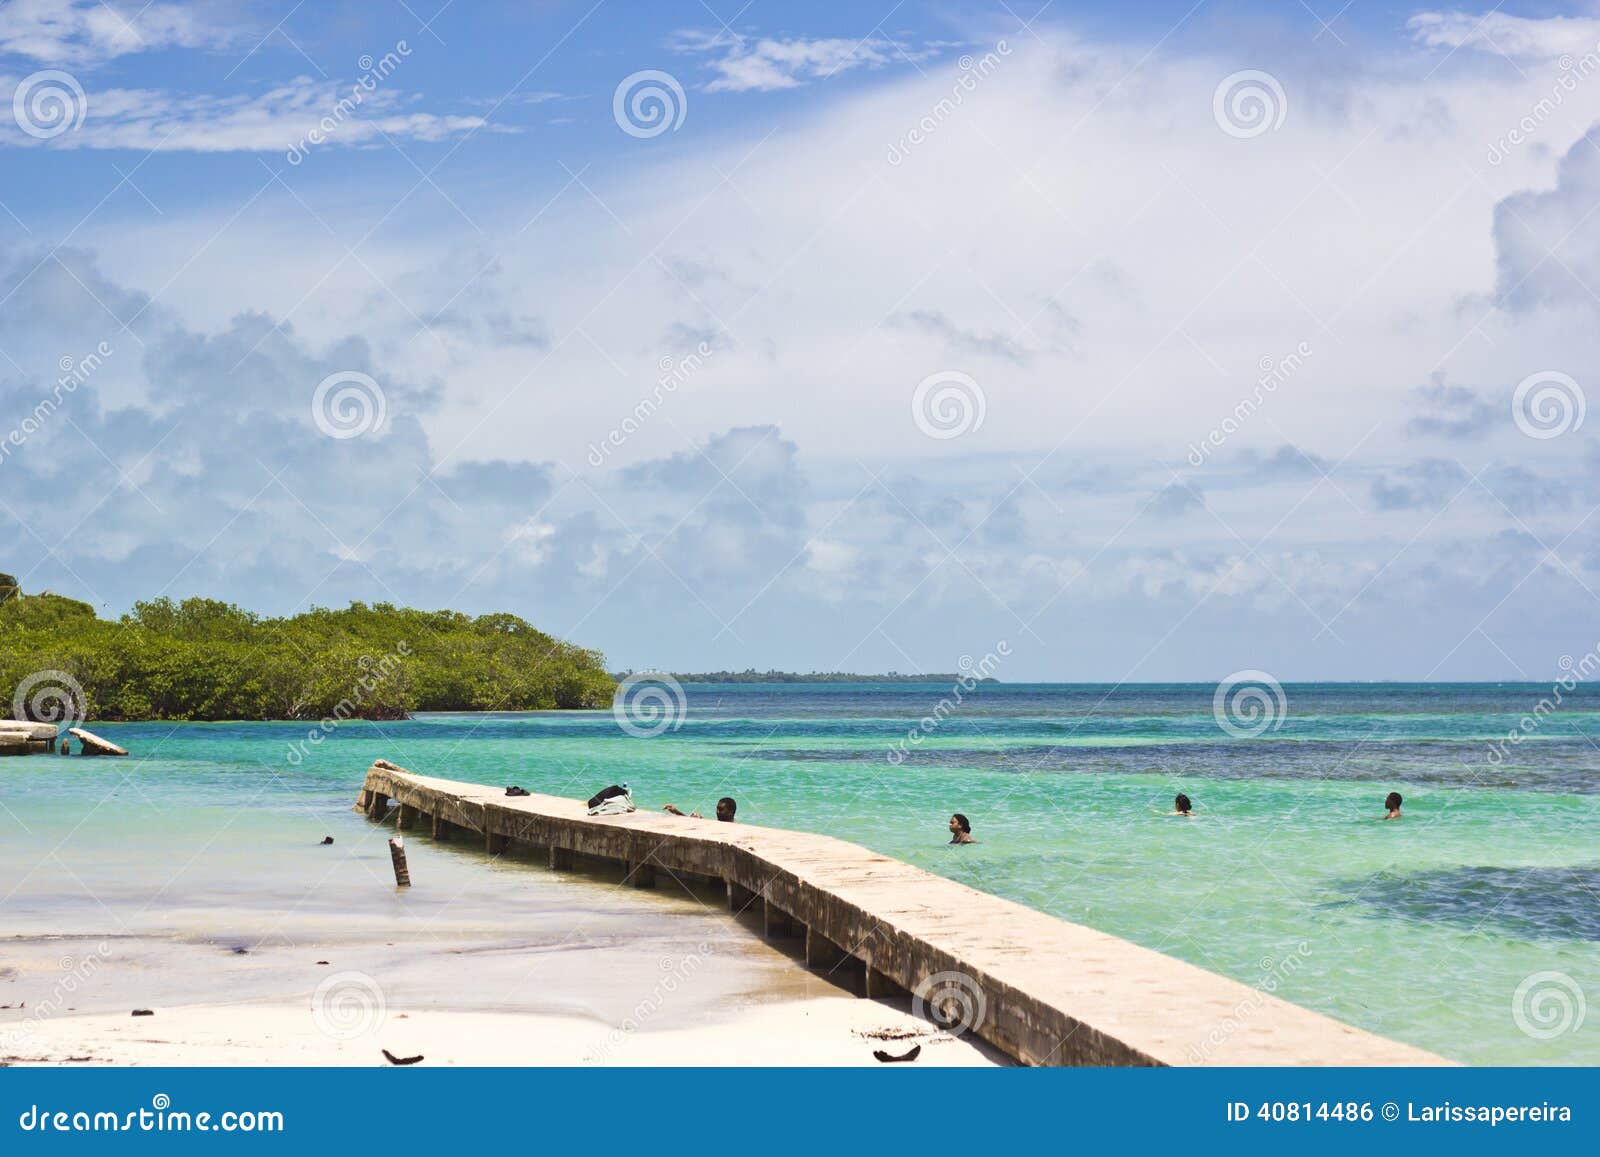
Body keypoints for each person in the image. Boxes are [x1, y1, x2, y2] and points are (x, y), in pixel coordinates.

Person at [663, 797, 737, 822]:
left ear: (730, 812)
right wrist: (676, 811)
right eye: (717, 809)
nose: (717, 812)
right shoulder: (721, 823)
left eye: (721, 809)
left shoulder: (734, 827)